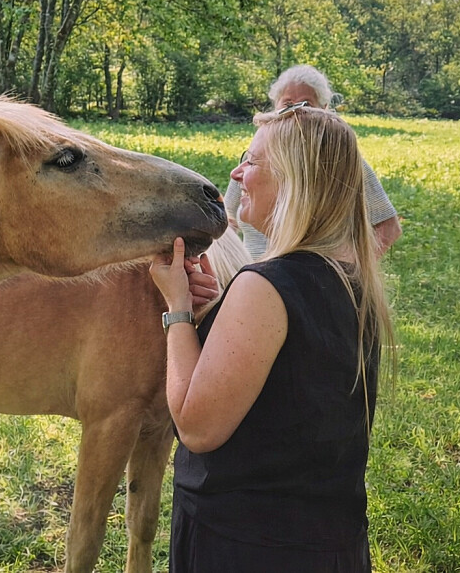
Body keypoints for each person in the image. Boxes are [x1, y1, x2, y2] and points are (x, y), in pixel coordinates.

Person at [149, 105, 396, 572]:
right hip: (325, 543)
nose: (237, 172)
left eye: (254, 160)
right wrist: (219, 312)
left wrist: (177, 310)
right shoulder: (351, 278)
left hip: (244, 545)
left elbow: (196, 427)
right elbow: (293, 386)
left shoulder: (266, 286)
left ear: (294, 179)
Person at [223, 64, 402, 259]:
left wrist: (348, 272)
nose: (297, 112)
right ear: (275, 107)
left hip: (308, 280)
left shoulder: (341, 160)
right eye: (288, 103)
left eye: (306, 104)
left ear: (324, 109)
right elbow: (226, 219)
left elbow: (388, 227)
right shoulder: (255, 159)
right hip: (253, 276)